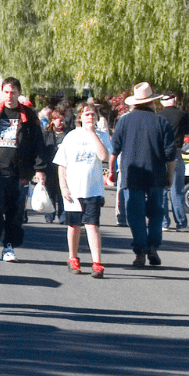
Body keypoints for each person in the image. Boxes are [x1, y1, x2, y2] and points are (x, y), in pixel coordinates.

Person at [107, 82, 182, 268]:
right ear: (152, 102)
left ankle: (140, 251)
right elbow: (170, 154)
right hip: (156, 174)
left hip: (132, 174)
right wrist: (170, 175)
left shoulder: (124, 121)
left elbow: (114, 151)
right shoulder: (161, 122)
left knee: (136, 214)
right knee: (156, 213)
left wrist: (111, 171)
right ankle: (153, 247)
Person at [0, 78, 44, 261]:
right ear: (2, 92)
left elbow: (38, 144)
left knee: (16, 212)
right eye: (6, 92)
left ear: (19, 93)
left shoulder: (29, 115)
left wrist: (39, 169)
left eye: (13, 92)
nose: (9, 96)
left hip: (19, 172)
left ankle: (9, 246)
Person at [58, 103, 111, 277]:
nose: (90, 117)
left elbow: (104, 156)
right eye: (87, 114)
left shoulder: (102, 136)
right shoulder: (71, 137)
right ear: (79, 117)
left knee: (92, 225)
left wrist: (92, 133)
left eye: (93, 115)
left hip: (93, 189)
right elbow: (62, 164)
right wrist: (63, 187)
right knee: (74, 225)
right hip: (73, 189)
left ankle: (97, 263)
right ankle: (73, 258)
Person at [157, 90, 189, 230]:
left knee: (161, 191)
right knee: (177, 190)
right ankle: (181, 223)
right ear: (175, 99)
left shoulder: (158, 116)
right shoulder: (182, 115)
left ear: (162, 102)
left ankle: (163, 223)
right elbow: (188, 131)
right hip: (175, 152)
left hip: (160, 154)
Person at [37, 110, 66, 222]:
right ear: (52, 121)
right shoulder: (47, 134)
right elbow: (41, 150)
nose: (61, 122)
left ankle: (63, 216)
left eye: (63, 120)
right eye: (59, 120)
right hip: (49, 167)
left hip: (63, 167)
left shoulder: (67, 134)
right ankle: (49, 215)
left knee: (62, 192)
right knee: (50, 192)